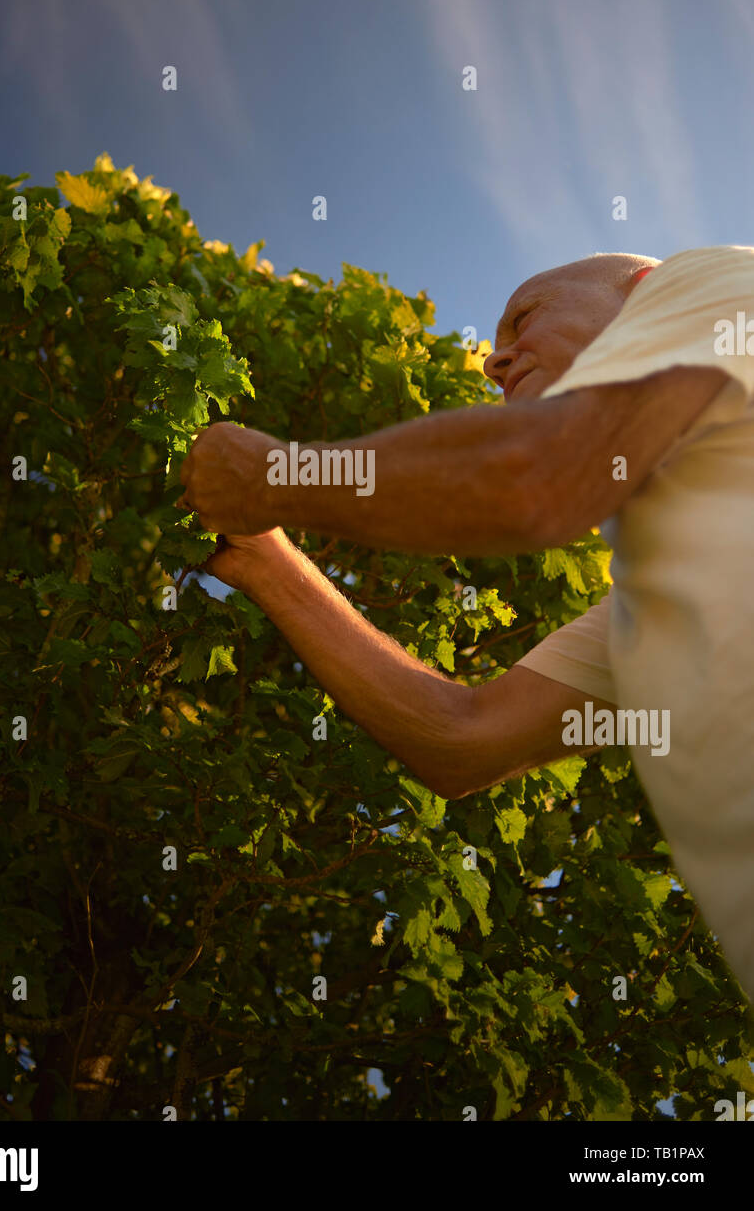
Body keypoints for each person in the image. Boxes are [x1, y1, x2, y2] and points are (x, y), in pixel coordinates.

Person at [179, 246, 754, 1003]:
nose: (493, 359)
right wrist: (263, 560)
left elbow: (535, 476)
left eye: (525, 316)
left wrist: (275, 477)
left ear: (645, 292)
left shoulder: (720, 288)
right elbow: (463, 740)